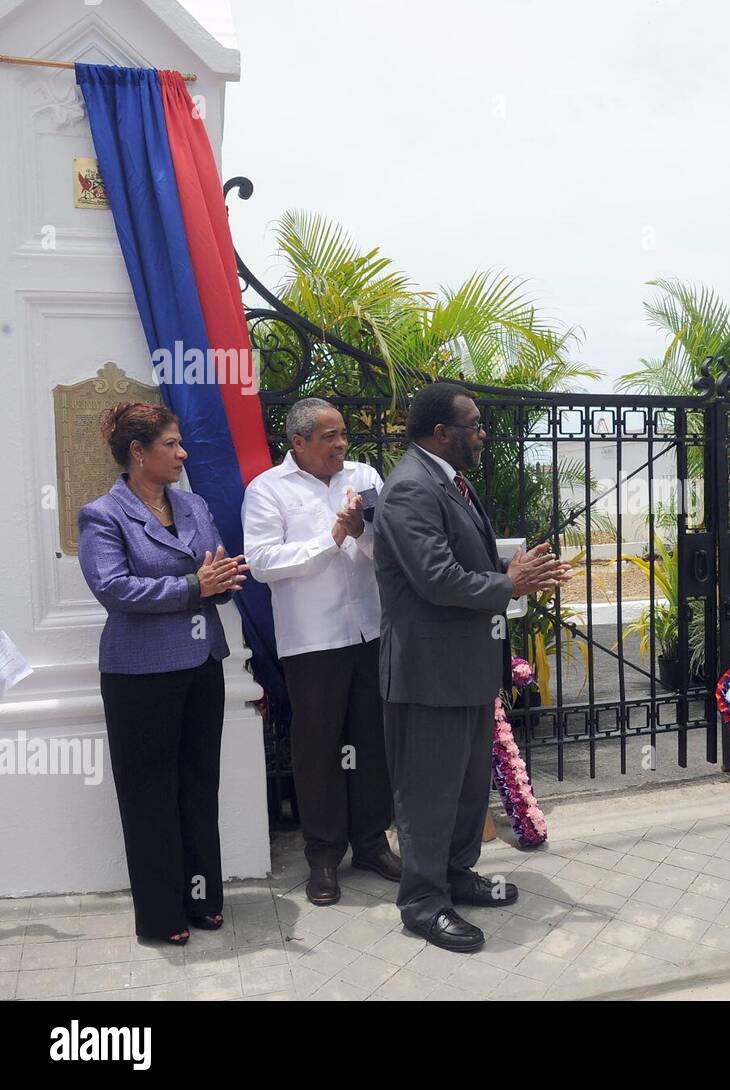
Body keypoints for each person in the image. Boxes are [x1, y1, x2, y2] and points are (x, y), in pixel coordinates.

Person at [374, 382, 572, 952]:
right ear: (442, 433)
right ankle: (422, 902)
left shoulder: (447, 481)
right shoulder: (411, 487)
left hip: (465, 668)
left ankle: (457, 876)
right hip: (428, 673)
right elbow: (435, 578)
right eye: (475, 425)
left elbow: (461, 564)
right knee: (428, 793)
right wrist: (508, 584)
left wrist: (508, 569)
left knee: (464, 790)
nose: (483, 434)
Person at [78, 402, 249, 944]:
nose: (183, 453)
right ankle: (161, 915)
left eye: (180, 443)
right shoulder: (103, 515)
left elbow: (217, 562)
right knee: (149, 793)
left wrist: (221, 579)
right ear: (137, 452)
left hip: (202, 664)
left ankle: (202, 898)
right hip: (139, 674)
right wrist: (196, 586)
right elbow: (115, 589)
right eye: (171, 444)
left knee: (199, 785)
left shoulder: (194, 504)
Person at [243, 398, 400, 905]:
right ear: (299, 442)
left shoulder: (365, 475)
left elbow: (390, 548)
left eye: (343, 434)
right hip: (313, 641)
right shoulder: (267, 489)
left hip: (369, 632)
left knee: (370, 741)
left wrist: (362, 533)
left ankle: (372, 843)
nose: (341, 445)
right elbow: (264, 562)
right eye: (329, 436)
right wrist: (332, 537)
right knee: (319, 748)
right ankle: (324, 855)